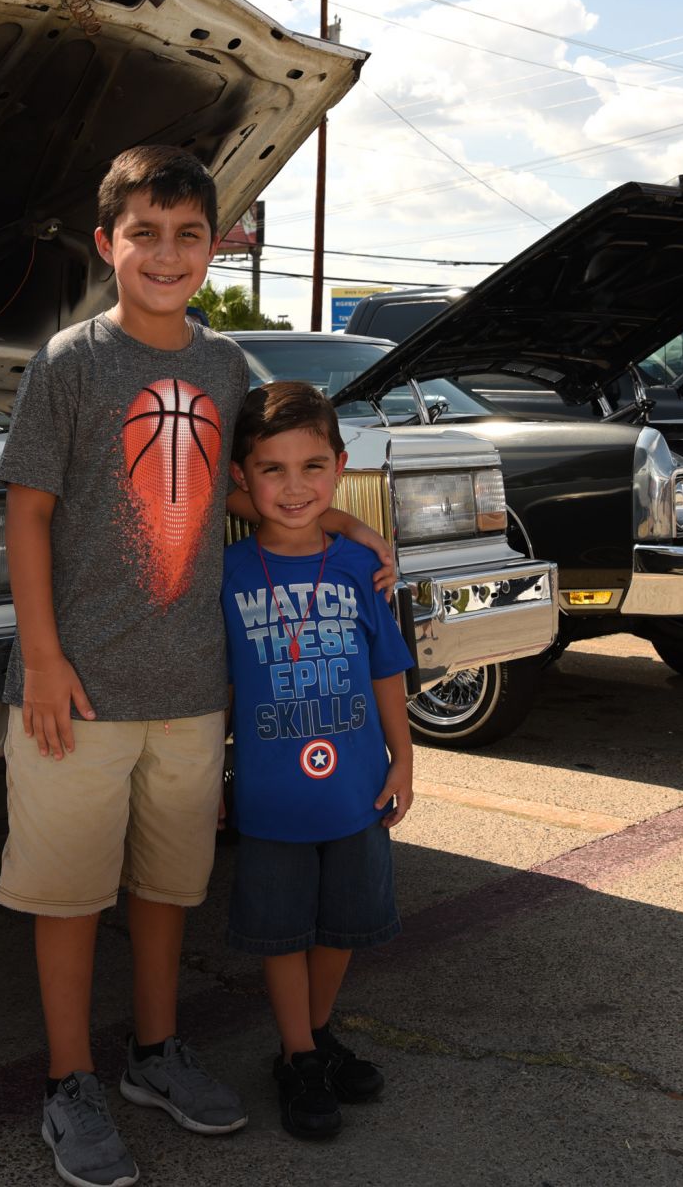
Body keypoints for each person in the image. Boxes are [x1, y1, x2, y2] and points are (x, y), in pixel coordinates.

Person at [0, 144, 390, 1187]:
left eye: (187, 234)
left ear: (216, 245)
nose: (166, 254)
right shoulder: (70, 361)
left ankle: (155, 1051)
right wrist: (43, 657)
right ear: (107, 244)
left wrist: (341, 519)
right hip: (77, 689)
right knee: (69, 894)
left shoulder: (225, 368)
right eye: (145, 234)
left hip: (189, 686)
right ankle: (68, 1080)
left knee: (166, 884)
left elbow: (257, 479)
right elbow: (26, 512)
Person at [220, 380, 415, 1141]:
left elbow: (386, 667)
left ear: (339, 467)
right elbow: (220, 688)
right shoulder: (228, 573)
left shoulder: (359, 566)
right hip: (271, 795)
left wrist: (404, 759)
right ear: (243, 476)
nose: (294, 486)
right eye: (271, 469)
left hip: (355, 790)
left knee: (344, 925)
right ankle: (298, 1055)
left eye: (312, 467)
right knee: (281, 931)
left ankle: (317, 1033)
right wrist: (214, 776)